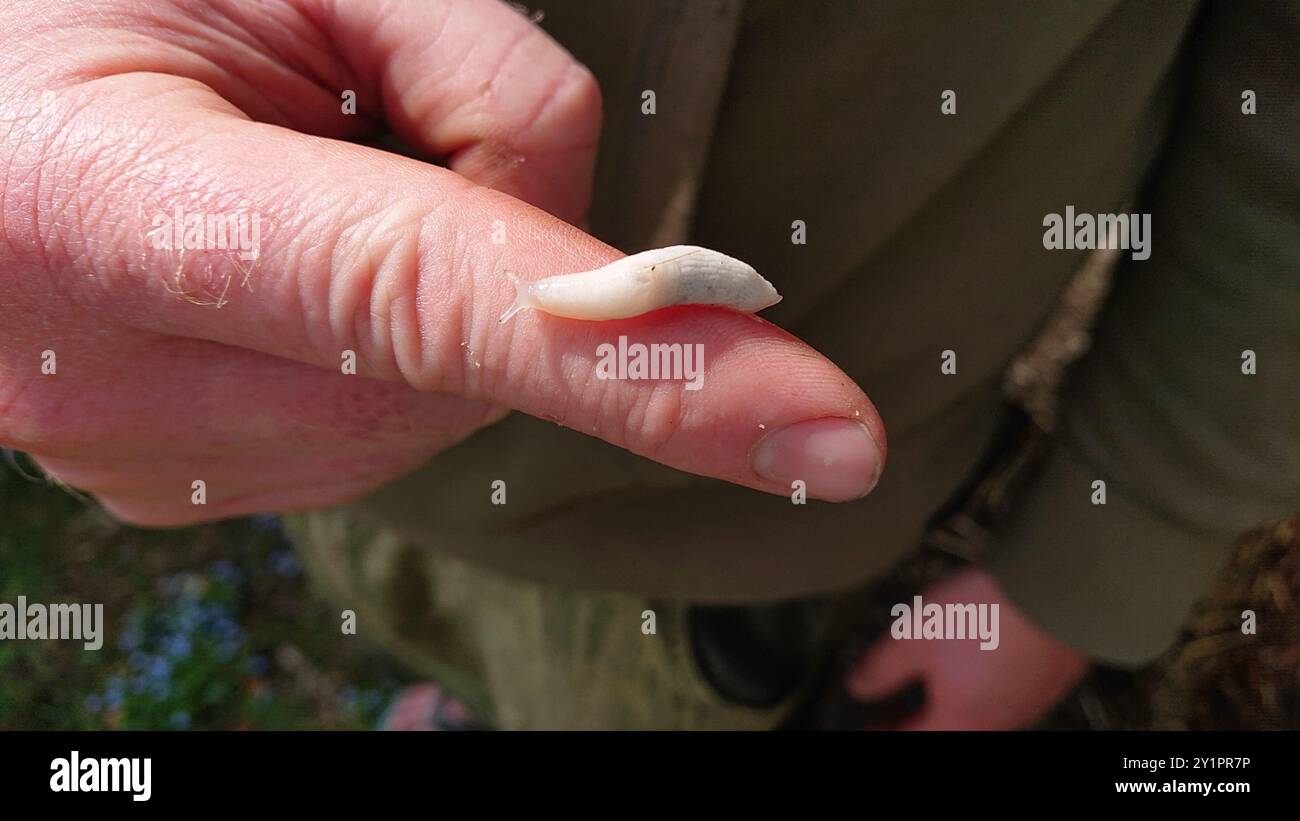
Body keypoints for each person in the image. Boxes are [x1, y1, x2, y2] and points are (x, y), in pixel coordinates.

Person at [0, 0, 1295, 729]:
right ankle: (465, 694)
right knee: (435, 626)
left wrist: (1097, 563)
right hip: (348, 475)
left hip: (744, 569)